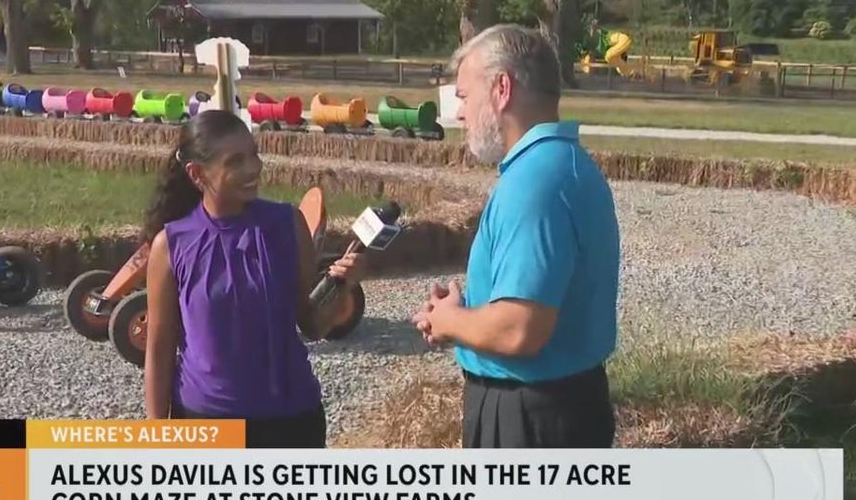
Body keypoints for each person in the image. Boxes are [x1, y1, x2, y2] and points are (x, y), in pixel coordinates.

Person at [411, 24, 622, 449]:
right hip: (564, 404)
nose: (459, 114)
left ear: (502, 88)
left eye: (465, 96)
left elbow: (518, 330)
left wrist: (449, 321)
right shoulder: (566, 164)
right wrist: (467, 311)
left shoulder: (534, 184)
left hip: (529, 419)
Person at [141, 109, 367, 448]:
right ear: (198, 173)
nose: (253, 168)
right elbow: (159, 348)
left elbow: (312, 326)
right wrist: (155, 433)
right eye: (235, 161)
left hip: (290, 421)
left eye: (254, 154)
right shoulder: (171, 246)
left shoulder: (288, 225)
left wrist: (344, 287)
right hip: (204, 422)